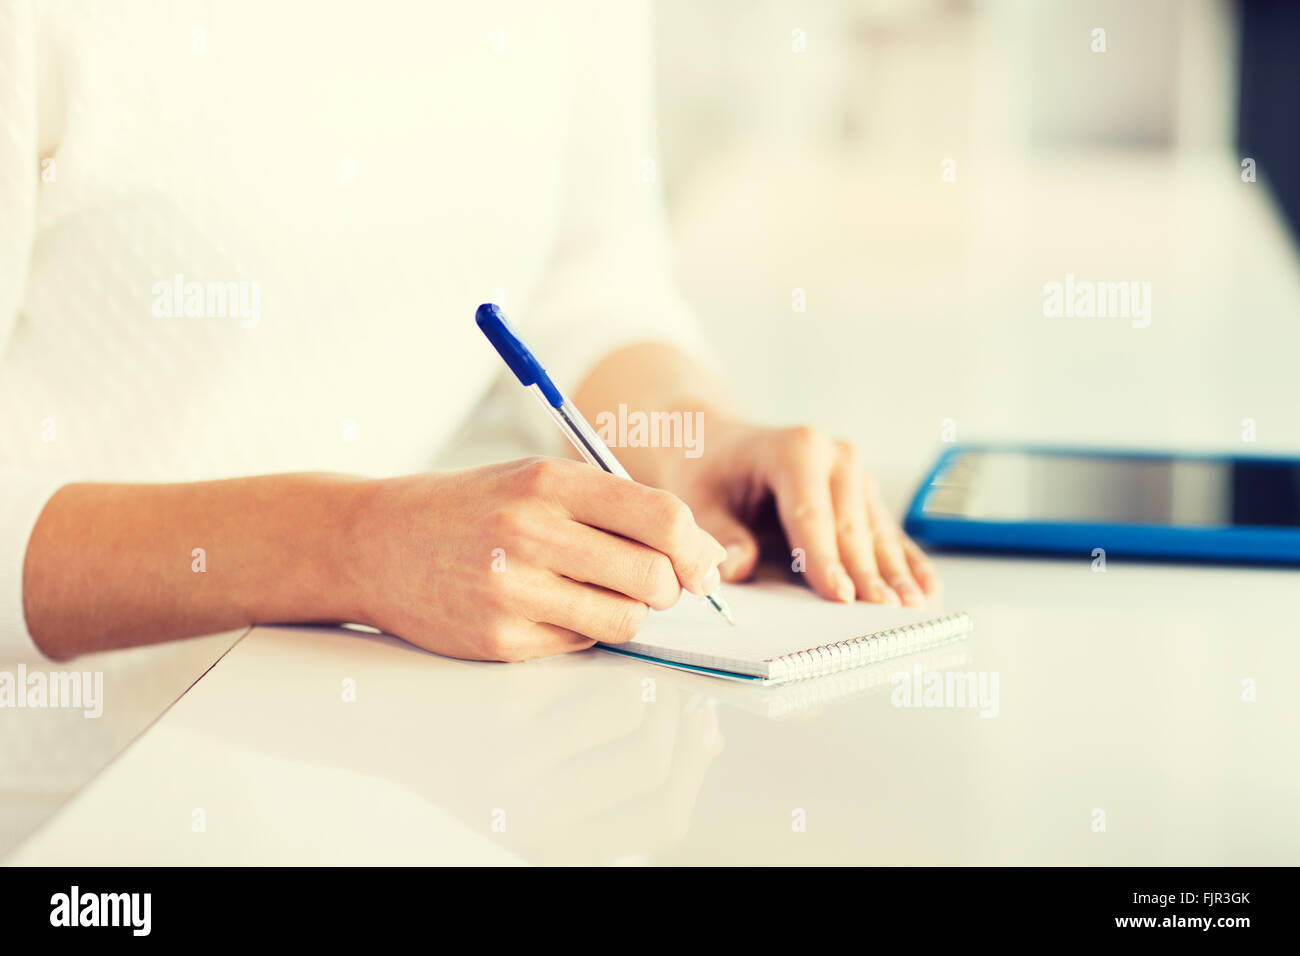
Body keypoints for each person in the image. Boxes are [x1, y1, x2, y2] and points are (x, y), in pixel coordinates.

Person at [0, 0, 938, 666]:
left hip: (414, 745)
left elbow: (588, 277)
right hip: (78, 809)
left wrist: (686, 432)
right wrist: (348, 547)